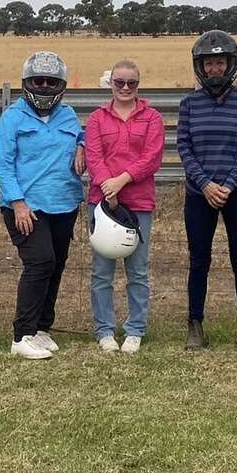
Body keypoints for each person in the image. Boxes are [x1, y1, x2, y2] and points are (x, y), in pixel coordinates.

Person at [0, 51, 86, 360]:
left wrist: (82, 146)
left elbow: (83, 134)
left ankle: (42, 329)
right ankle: (21, 335)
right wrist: (18, 203)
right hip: (25, 206)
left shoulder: (69, 115)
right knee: (40, 262)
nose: (45, 87)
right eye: (39, 81)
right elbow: (4, 165)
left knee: (56, 265)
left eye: (51, 81)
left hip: (63, 203)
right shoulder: (13, 117)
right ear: (27, 83)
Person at [177, 30, 237, 351]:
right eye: (208, 63)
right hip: (199, 195)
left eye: (220, 63)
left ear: (230, 64)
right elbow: (184, 148)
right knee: (199, 261)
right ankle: (195, 325)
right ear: (200, 66)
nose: (214, 69)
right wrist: (206, 184)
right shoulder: (189, 104)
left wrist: (227, 184)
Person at [84, 59, 164, 353]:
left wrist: (121, 182)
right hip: (102, 203)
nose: (126, 88)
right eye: (120, 82)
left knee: (138, 270)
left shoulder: (152, 118)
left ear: (138, 85)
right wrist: (108, 187)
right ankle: (104, 330)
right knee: (101, 271)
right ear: (111, 84)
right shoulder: (96, 119)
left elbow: (152, 157)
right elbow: (94, 156)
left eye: (132, 83)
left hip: (138, 202)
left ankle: (135, 329)